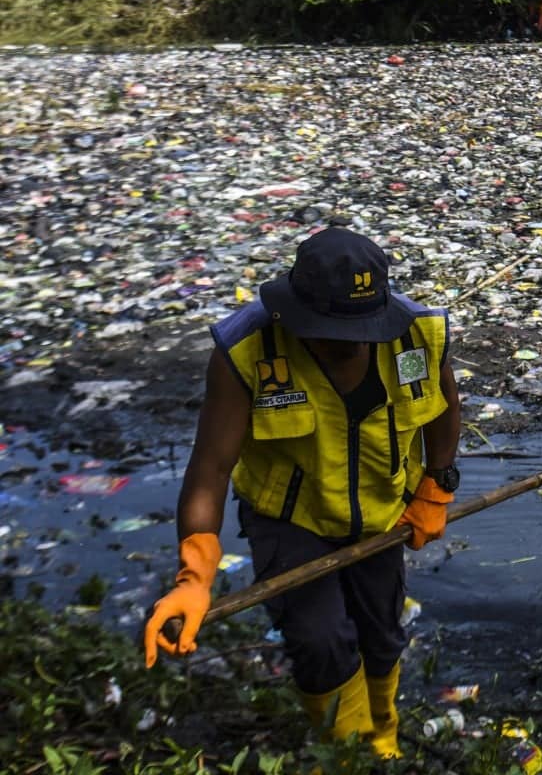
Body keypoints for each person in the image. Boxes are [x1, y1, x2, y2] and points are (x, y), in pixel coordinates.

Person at [143, 226, 462, 760]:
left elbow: (446, 406)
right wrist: (194, 575)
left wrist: (436, 486)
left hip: (382, 511)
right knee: (320, 643)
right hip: (289, 519)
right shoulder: (246, 348)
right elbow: (209, 469)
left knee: (381, 635)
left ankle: (382, 736)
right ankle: (346, 754)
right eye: (330, 330)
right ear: (294, 313)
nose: (347, 344)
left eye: (361, 330)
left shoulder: (418, 334)